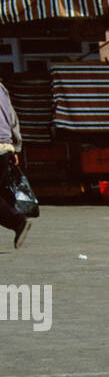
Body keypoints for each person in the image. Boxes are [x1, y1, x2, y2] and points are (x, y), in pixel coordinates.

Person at [0, 79, 31, 249]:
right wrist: (15, 147)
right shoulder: (1, 88)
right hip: (4, 147)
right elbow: (12, 117)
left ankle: (17, 221)